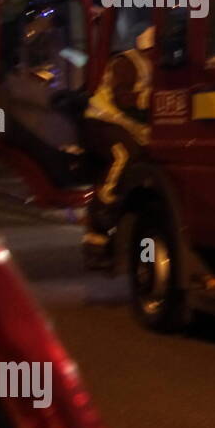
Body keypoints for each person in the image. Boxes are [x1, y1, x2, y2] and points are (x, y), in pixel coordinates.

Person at [81, 25, 153, 268]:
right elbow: (122, 99)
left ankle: (99, 240)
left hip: (120, 124)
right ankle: (103, 208)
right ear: (149, 48)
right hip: (101, 121)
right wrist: (148, 101)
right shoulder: (127, 63)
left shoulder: (150, 64)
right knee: (122, 155)